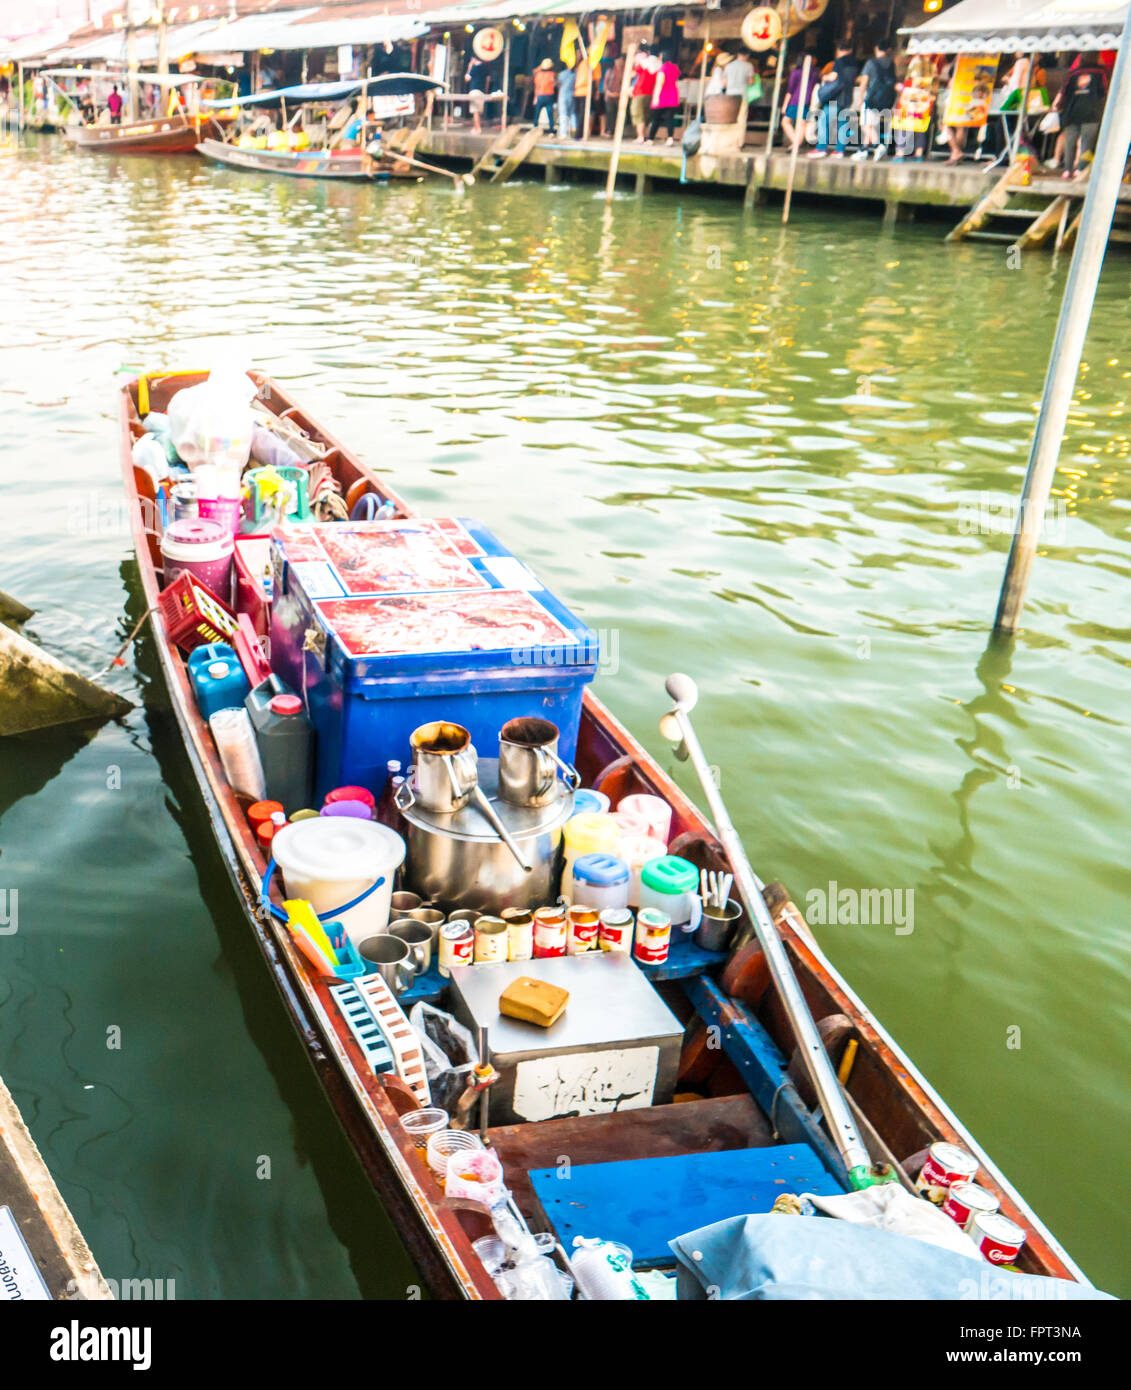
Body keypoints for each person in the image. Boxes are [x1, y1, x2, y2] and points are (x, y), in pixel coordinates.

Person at [809, 41, 859, 158]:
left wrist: (824, 77)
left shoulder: (839, 61)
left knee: (823, 120)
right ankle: (839, 150)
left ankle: (821, 148)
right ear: (850, 50)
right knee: (842, 123)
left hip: (836, 96)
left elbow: (834, 76)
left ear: (838, 50)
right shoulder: (854, 63)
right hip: (847, 97)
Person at [1058, 60, 1107, 178]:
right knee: (1087, 142)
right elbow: (1104, 91)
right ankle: (1081, 169)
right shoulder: (1101, 72)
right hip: (1091, 112)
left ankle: (1067, 169)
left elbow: (1064, 91)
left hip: (1072, 111)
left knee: (1070, 141)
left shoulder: (1073, 73)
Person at [854, 40, 896, 160]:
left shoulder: (871, 63)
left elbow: (864, 81)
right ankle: (863, 150)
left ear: (877, 48)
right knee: (871, 124)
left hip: (872, 98)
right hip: (885, 99)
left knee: (865, 125)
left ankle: (879, 145)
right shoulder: (891, 63)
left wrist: (861, 97)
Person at [781, 56, 817, 147]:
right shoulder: (814, 73)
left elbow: (790, 90)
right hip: (809, 101)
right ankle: (795, 145)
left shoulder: (796, 72)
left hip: (796, 100)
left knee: (785, 122)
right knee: (802, 123)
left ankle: (796, 143)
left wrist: (785, 105)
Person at [647, 52, 680, 144]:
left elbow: (659, 84)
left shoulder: (662, 69)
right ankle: (670, 138)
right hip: (673, 95)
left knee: (656, 119)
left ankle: (650, 139)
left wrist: (656, 98)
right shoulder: (675, 68)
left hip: (662, 95)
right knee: (670, 119)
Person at [630, 45, 657, 142]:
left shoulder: (644, 63)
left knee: (638, 114)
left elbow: (633, 74)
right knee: (645, 115)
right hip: (650, 94)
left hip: (640, 93)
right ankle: (643, 135)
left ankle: (640, 137)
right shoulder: (657, 64)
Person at [603, 47, 625, 136]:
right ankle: (609, 131)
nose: (620, 62)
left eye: (621, 60)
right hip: (609, 96)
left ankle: (618, 131)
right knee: (610, 113)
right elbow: (605, 85)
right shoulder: (610, 71)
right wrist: (610, 93)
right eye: (618, 60)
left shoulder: (624, 72)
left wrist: (619, 94)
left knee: (619, 114)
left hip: (620, 97)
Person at [465, 54, 489, 135]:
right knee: (479, 111)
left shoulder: (474, 68)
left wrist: (469, 67)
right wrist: (486, 90)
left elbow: (467, 78)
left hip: (474, 90)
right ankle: (476, 127)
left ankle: (478, 129)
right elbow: (488, 79)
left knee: (475, 111)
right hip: (482, 91)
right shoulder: (485, 68)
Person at [532, 57, 556, 133]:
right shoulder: (552, 74)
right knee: (550, 114)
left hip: (540, 95)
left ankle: (535, 129)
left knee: (537, 113)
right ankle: (551, 131)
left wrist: (535, 97)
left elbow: (536, 87)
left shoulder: (538, 75)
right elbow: (554, 83)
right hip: (549, 95)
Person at [557, 57, 577, 139]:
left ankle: (563, 133)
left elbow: (559, 84)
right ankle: (574, 131)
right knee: (572, 114)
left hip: (563, 95)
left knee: (563, 114)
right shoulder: (575, 74)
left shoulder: (562, 74)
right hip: (573, 95)